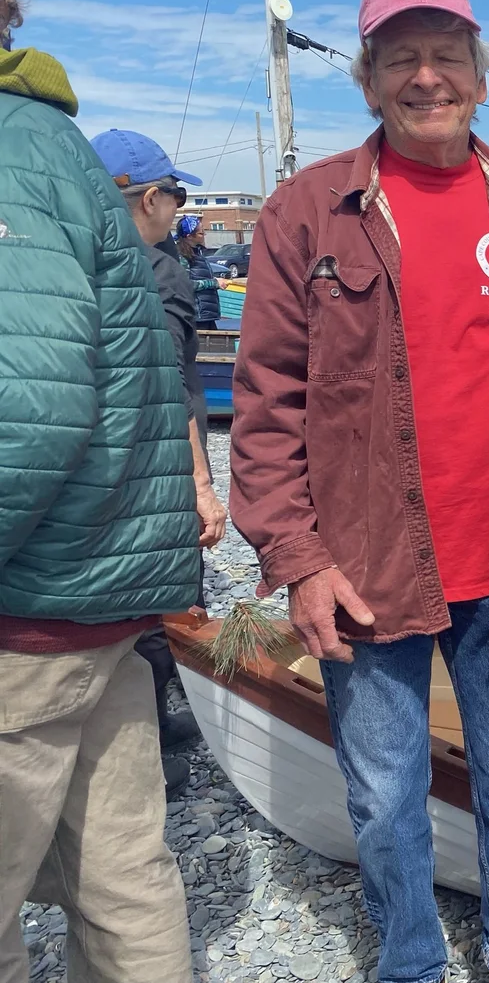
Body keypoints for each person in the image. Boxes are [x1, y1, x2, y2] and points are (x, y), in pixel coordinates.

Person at [230, 0, 489, 983]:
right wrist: (298, 560)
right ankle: (412, 962)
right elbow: (264, 406)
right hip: (364, 565)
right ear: (368, 77)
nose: (426, 76)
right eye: (401, 57)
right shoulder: (310, 213)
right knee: (384, 796)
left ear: (480, 73)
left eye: (446, 56)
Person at [1, 13, 200, 983]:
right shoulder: (51, 142)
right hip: (100, 588)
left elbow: (25, 411)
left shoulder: (11, 155)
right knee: (121, 881)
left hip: (28, 601)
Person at [90, 128, 227, 800]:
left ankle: (154, 721)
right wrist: (201, 483)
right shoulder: (158, 269)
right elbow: (168, 381)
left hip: (110, 470)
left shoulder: (81, 259)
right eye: (174, 197)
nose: (176, 212)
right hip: (161, 464)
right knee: (165, 598)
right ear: (150, 198)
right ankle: (144, 747)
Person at [175, 213, 227, 330]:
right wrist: (214, 283)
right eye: (201, 233)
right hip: (196, 317)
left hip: (206, 315)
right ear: (189, 236)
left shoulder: (198, 253)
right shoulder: (182, 256)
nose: (204, 235)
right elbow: (185, 285)